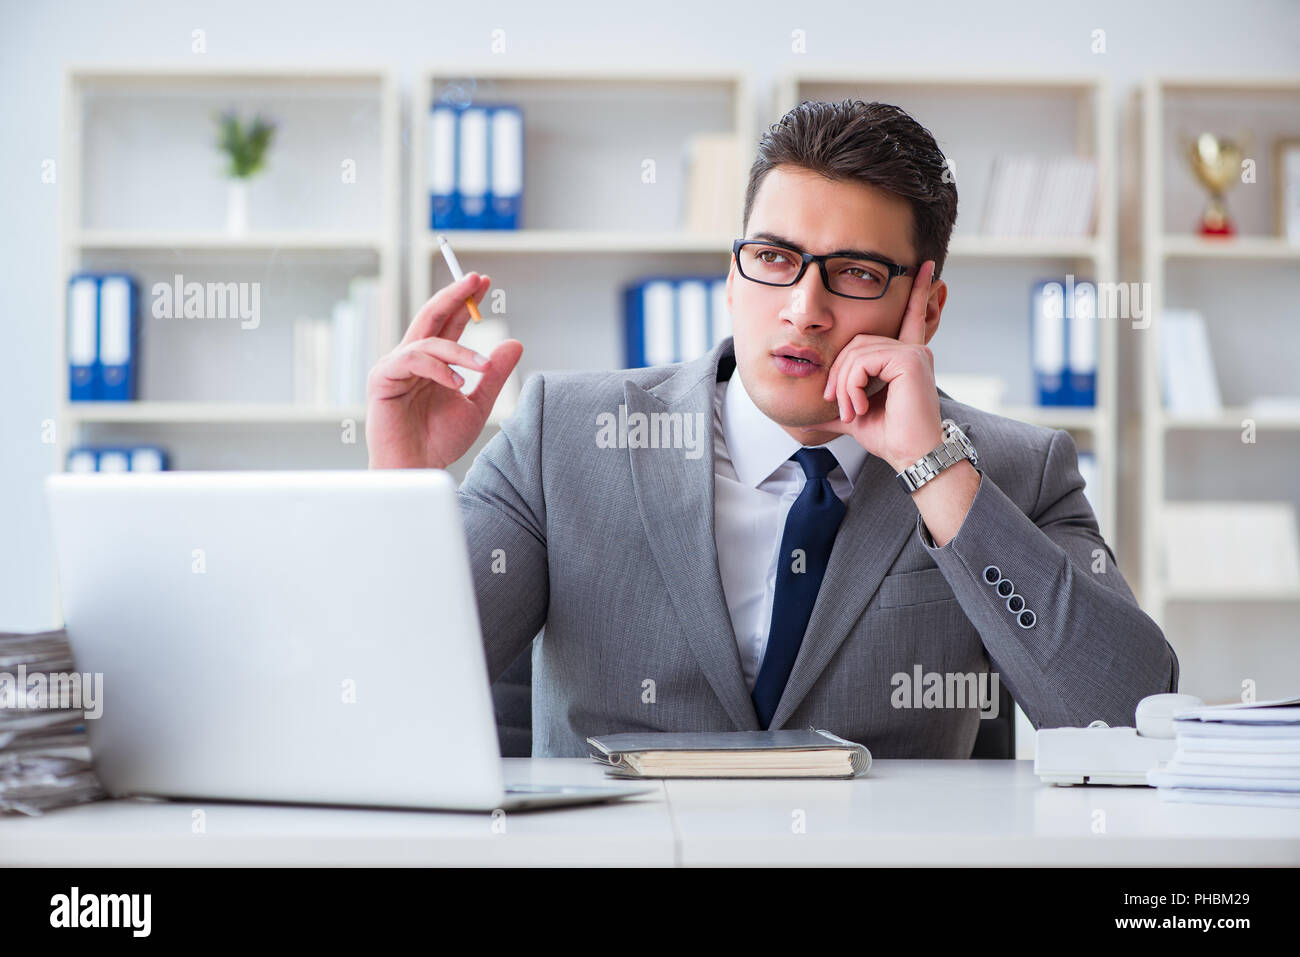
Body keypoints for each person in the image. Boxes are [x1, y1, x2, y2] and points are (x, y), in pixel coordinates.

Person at [367, 99, 1178, 758]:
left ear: (924, 306)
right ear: (731, 275)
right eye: (775, 258)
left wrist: (937, 471)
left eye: (855, 272)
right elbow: (392, 687)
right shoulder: (564, 438)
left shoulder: (1015, 468)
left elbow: (1133, 714)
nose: (803, 307)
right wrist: (403, 486)